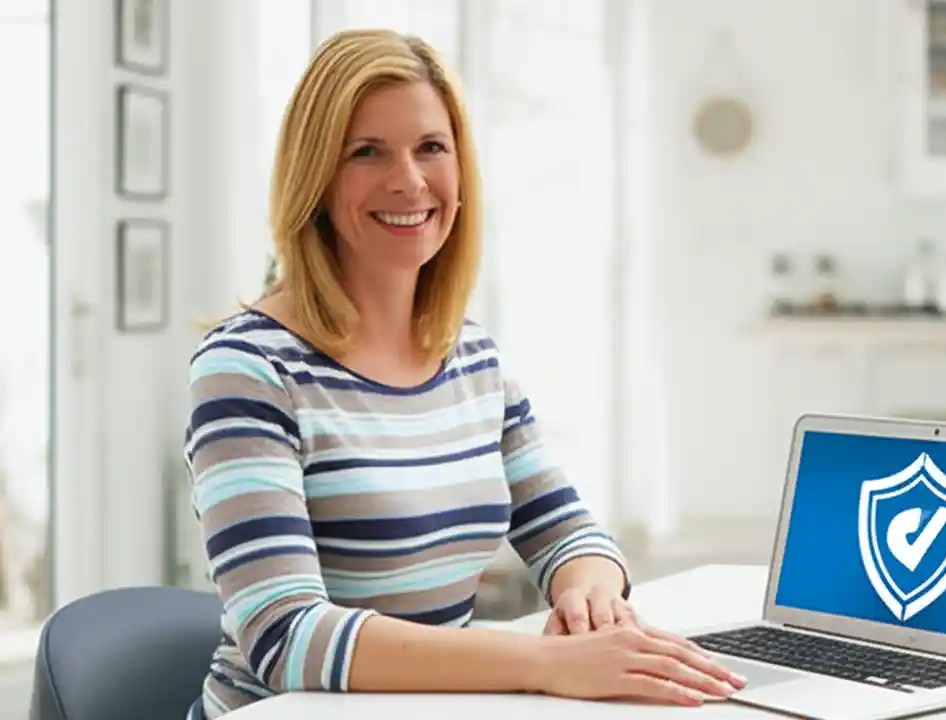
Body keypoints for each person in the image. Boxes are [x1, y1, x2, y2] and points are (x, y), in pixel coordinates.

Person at [183, 29, 745, 719]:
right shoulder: (248, 369)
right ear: (316, 178)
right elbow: (285, 634)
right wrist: (546, 665)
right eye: (367, 153)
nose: (409, 181)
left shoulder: (473, 359)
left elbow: (568, 532)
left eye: (431, 148)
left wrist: (589, 594)